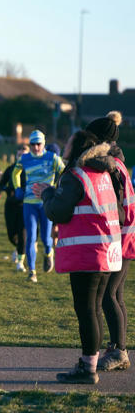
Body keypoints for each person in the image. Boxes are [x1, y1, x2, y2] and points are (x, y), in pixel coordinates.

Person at [39, 130, 122, 384]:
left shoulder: (75, 175)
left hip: (88, 253)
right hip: (107, 251)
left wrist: (47, 193)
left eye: (69, 142)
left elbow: (58, 211)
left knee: (86, 311)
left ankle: (87, 369)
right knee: (94, 309)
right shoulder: (102, 173)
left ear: (77, 147)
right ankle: (90, 364)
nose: (65, 145)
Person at [85, 113, 133, 371]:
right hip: (126, 234)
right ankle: (118, 348)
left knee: (108, 295)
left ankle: (119, 351)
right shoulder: (117, 161)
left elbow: (116, 207)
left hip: (120, 236)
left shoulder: (111, 166)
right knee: (116, 294)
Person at [12, 130, 64, 283]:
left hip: (46, 203)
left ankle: (48, 252)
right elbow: (15, 173)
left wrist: (56, 188)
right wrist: (17, 188)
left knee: (46, 238)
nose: (35, 147)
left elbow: (64, 172)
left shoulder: (52, 158)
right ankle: (32, 272)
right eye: (33, 144)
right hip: (29, 203)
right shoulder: (25, 158)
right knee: (31, 237)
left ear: (44, 144)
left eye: (38, 144)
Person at [0, 145, 29, 272]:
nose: (21, 157)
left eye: (24, 155)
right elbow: (1, 184)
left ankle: (20, 262)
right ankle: (19, 248)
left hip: (25, 205)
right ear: (16, 156)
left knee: (22, 233)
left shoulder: (31, 169)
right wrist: (8, 190)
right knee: (11, 235)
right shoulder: (11, 169)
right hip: (10, 205)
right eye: (19, 155)